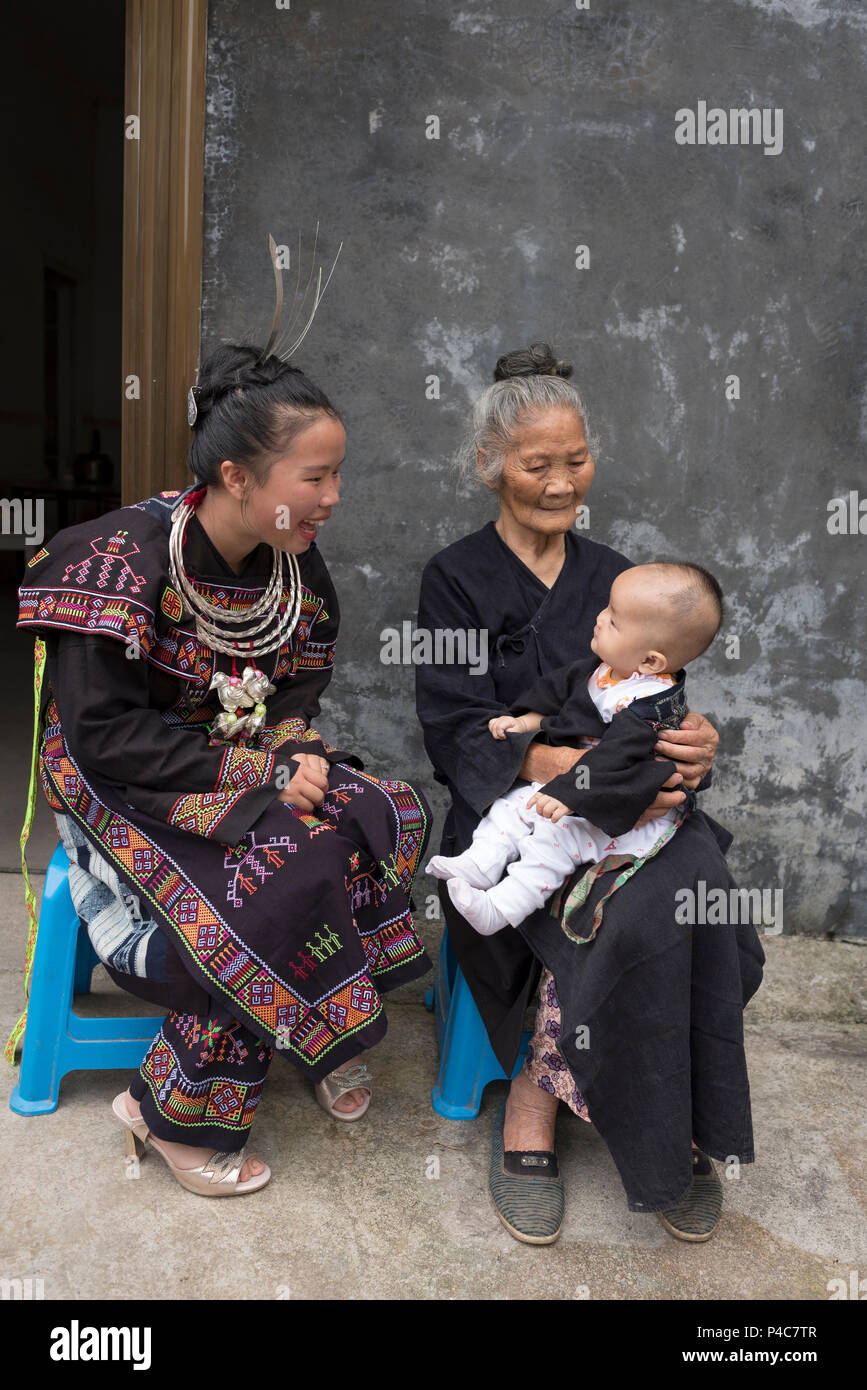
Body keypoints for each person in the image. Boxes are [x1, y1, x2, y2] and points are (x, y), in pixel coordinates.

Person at [12, 344, 432, 1196]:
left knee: (387, 811)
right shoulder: (115, 561)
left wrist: (289, 745)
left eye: (336, 474)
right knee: (281, 875)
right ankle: (172, 1112)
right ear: (238, 477)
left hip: (244, 755)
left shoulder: (292, 563)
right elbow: (102, 736)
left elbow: (302, 678)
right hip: (124, 772)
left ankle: (307, 1018)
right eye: (315, 477)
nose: (333, 498)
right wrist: (256, 775)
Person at [415, 342, 764, 1245]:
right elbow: (453, 724)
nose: (562, 481)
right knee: (605, 914)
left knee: (697, 902)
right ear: (491, 465)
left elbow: (655, 696)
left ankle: (674, 1110)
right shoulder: (453, 579)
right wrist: (563, 779)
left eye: (576, 459)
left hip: (637, 812)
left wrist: (689, 755)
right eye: (537, 464)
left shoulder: (618, 574)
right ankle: (534, 1105)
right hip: (527, 813)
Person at [427, 561, 722, 938]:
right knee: (512, 805)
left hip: (621, 801)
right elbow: (558, 693)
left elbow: (618, 756)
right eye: (606, 608)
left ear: (650, 661)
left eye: (613, 620)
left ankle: (502, 907)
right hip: (580, 783)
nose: (599, 618)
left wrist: (571, 793)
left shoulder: (650, 703)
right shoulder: (606, 669)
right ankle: (479, 863)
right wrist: (526, 722)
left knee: (553, 839)